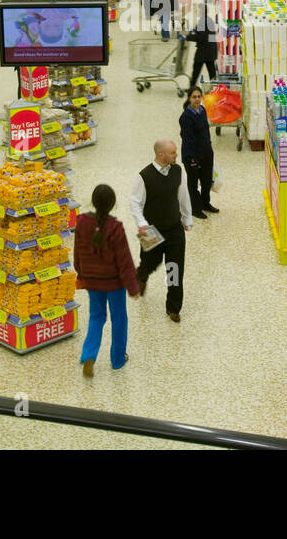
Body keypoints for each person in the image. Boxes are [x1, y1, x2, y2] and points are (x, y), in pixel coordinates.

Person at [74, 184, 140, 376]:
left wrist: (81, 275)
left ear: (93, 202)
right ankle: (118, 359)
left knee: (96, 317)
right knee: (119, 319)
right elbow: (124, 261)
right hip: (114, 284)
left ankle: (89, 355)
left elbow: (77, 254)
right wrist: (133, 287)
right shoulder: (115, 228)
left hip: (92, 282)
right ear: (113, 204)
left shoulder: (82, 222)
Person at [131, 140, 194, 322]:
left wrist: (187, 218)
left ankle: (173, 307)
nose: (176, 155)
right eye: (173, 153)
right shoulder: (144, 176)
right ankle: (141, 277)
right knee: (150, 262)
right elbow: (135, 202)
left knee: (174, 268)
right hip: (151, 230)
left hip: (174, 229)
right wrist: (141, 223)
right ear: (161, 155)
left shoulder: (177, 171)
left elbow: (183, 196)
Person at [180, 86, 218, 218]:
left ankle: (205, 203)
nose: (197, 99)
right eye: (194, 97)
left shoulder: (202, 110)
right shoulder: (186, 117)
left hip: (206, 153)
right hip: (192, 156)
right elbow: (187, 138)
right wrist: (192, 158)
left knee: (207, 181)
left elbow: (206, 132)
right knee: (193, 183)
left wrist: (209, 148)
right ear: (189, 98)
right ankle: (195, 208)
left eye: (198, 97)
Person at [188, 0, 219, 88]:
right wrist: (195, 31)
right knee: (211, 71)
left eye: (198, 10)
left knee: (196, 69)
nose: (196, 11)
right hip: (211, 50)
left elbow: (200, 37)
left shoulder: (202, 21)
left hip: (203, 51)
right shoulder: (209, 20)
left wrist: (187, 37)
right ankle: (215, 88)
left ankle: (192, 87)